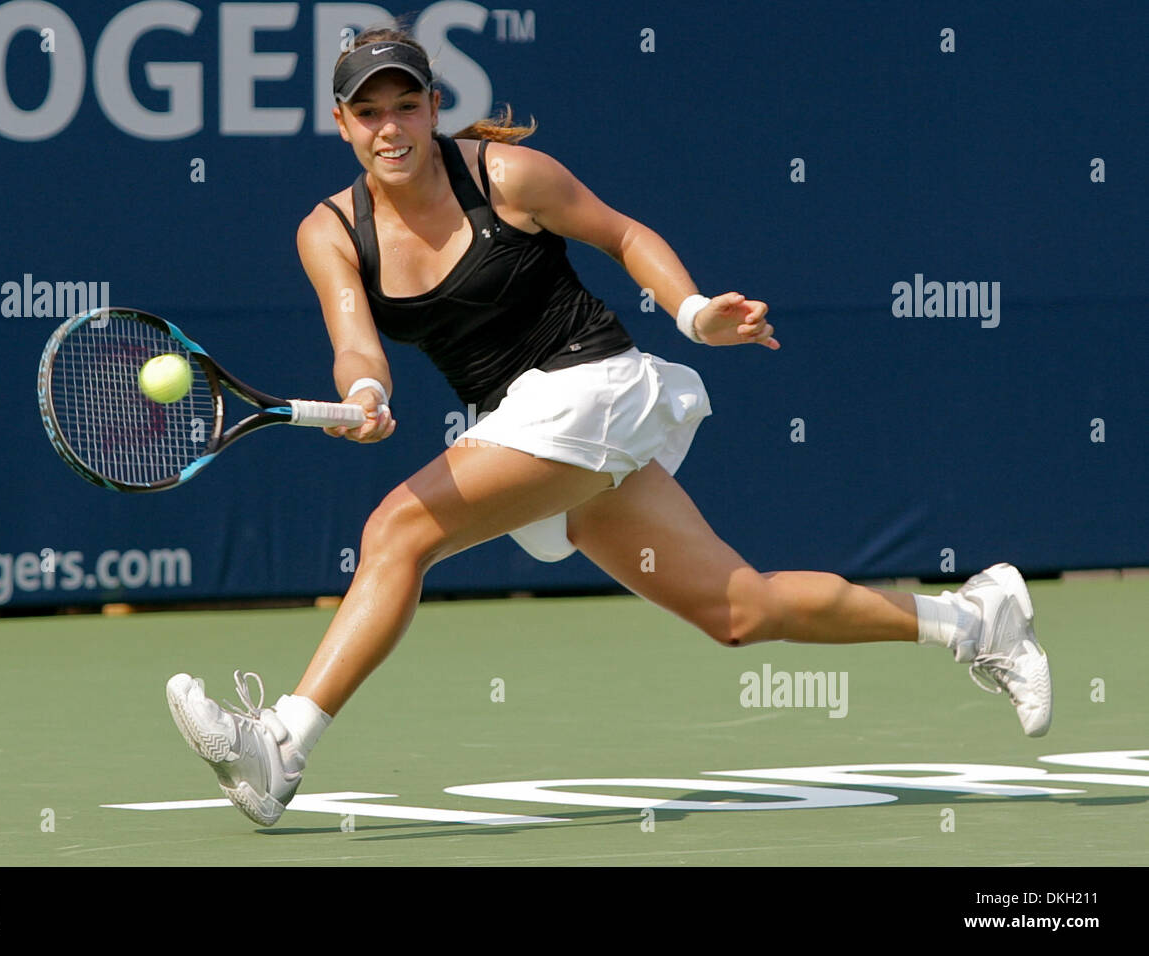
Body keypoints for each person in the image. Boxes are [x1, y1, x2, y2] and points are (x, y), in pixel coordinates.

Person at [165, 28, 1052, 827]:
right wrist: (361, 395)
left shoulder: (506, 176)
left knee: (398, 530)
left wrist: (696, 312)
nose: (390, 128)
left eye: (407, 105)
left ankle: (281, 745)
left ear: (436, 107)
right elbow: (357, 344)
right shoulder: (328, 231)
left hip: (595, 385)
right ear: (342, 123)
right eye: (369, 113)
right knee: (738, 610)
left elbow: (624, 236)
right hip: (525, 420)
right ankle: (976, 620)